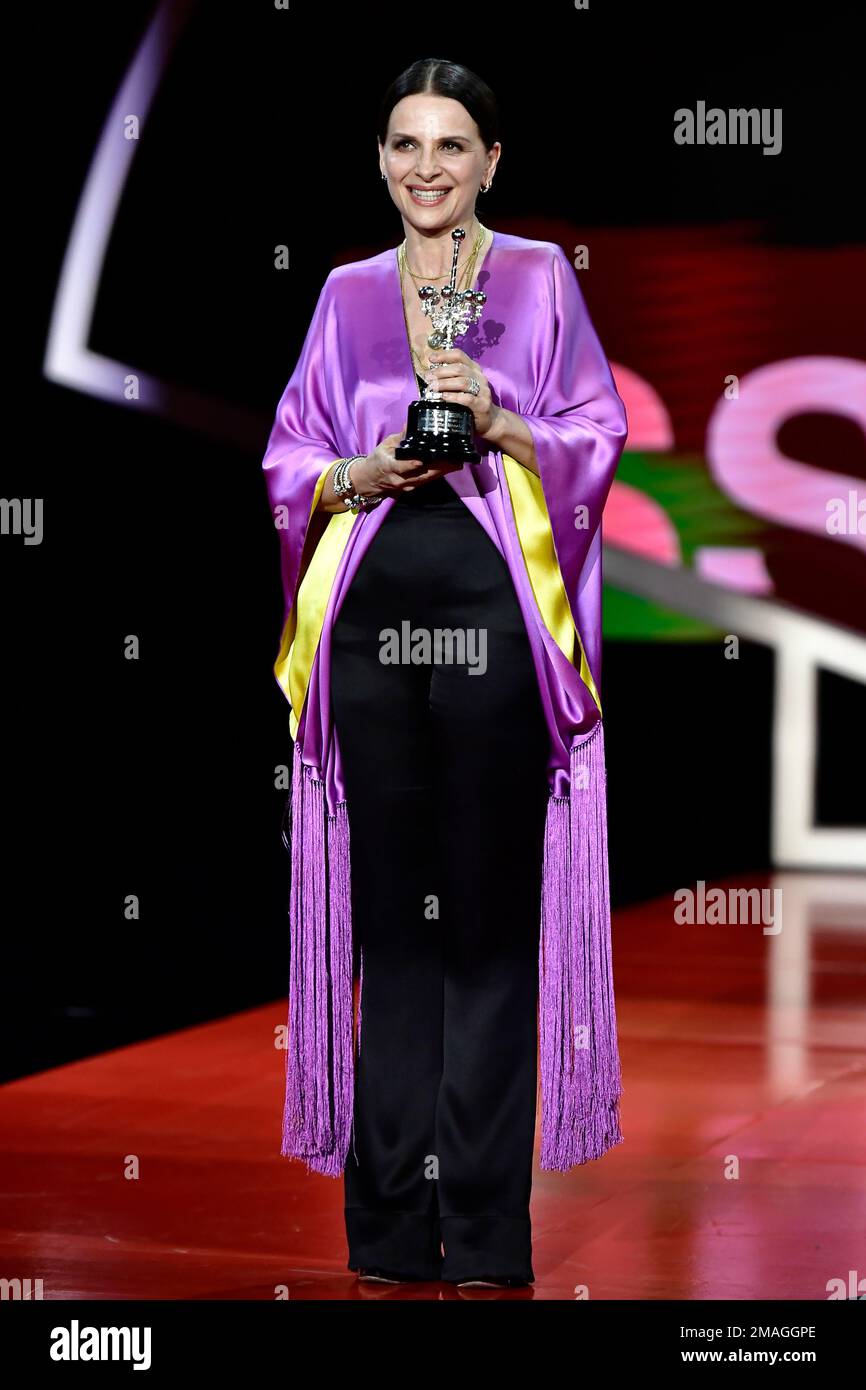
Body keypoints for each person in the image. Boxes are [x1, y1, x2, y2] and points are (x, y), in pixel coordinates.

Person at [261, 56, 628, 1290]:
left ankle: (480, 1229)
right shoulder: (343, 292)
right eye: (406, 144)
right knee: (391, 926)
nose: (428, 167)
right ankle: (386, 1231)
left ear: (489, 163)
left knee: (483, 926)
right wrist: (358, 472)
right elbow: (287, 456)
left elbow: (596, 428)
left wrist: (504, 420)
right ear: (378, 159)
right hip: (369, 616)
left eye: (452, 146)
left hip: (488, 614)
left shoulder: (532, 278)